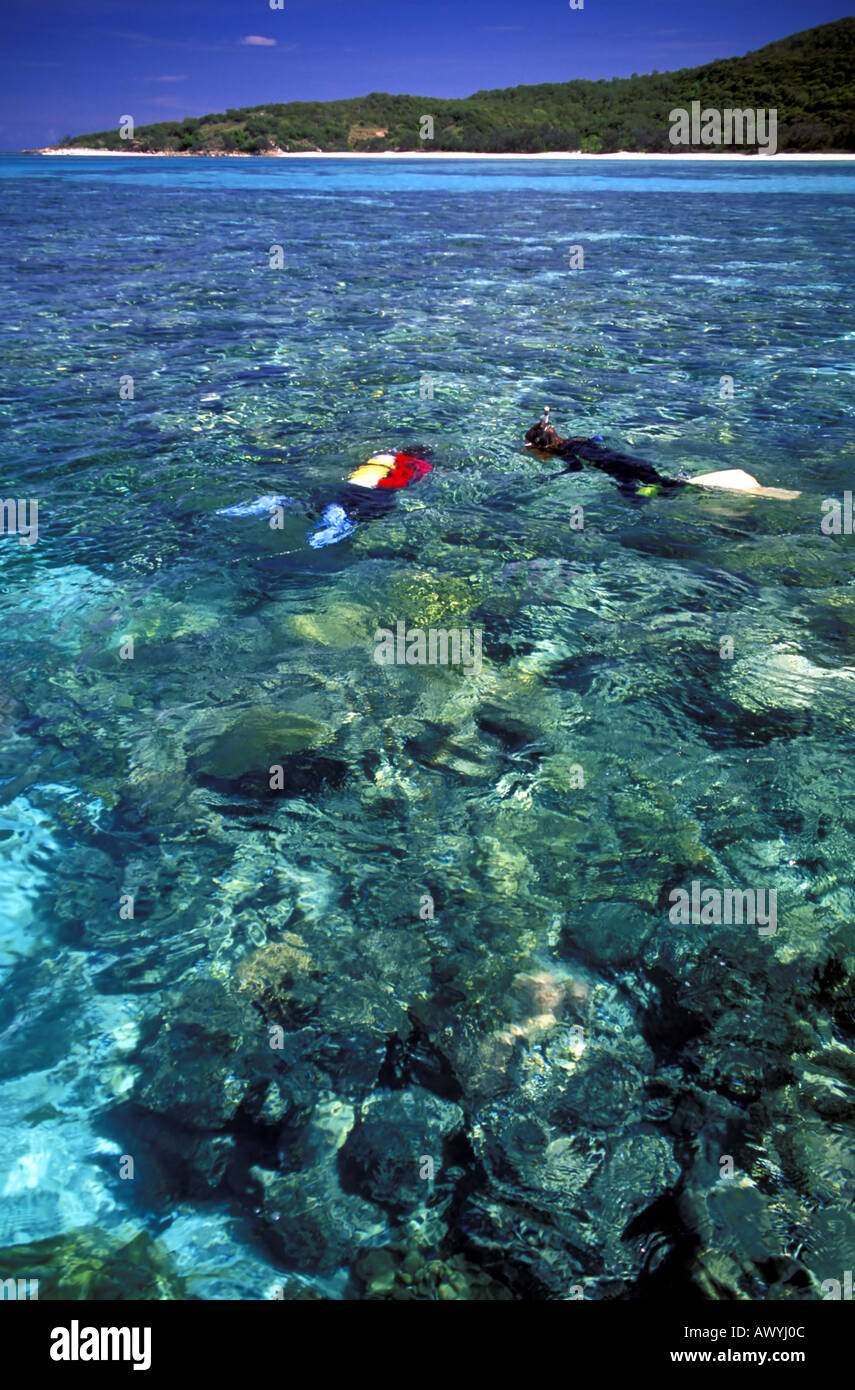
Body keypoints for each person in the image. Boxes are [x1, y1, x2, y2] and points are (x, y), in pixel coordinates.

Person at [524, 407, 800, 499]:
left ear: (541, 448)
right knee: (666, 482)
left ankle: (723, 490)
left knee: (654, 493)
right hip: (629, 462)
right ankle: (772, 492)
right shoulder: (579, 440)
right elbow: (596, 440)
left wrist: (552, 478)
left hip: (621, 471)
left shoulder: (565, 453)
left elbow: (576, 468)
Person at [216, 451, 433, 547]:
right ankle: (330, 529)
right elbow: (406, 483)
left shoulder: (384, 456)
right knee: (350, 515)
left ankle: (275, 502)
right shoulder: (418, 466)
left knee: (314, 504)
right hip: (372, 493)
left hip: (345, 486)